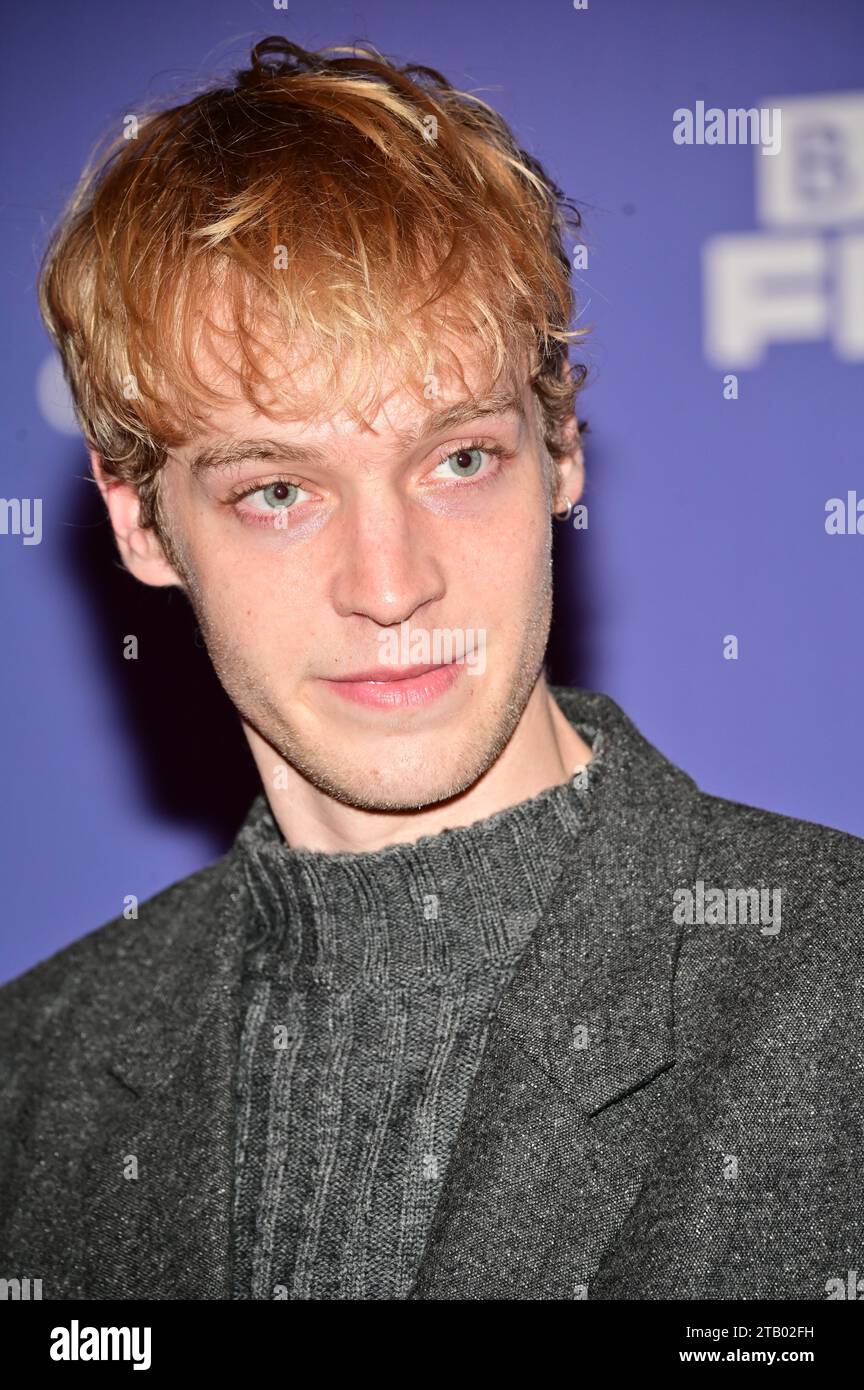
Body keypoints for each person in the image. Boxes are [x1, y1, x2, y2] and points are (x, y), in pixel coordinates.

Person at [1, 35, 861, 1302]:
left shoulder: (835, 995)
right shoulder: (30, 1088)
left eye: (457, 459)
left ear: (562, 447)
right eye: (280, 490)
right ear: (139, 520)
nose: (393, 584)